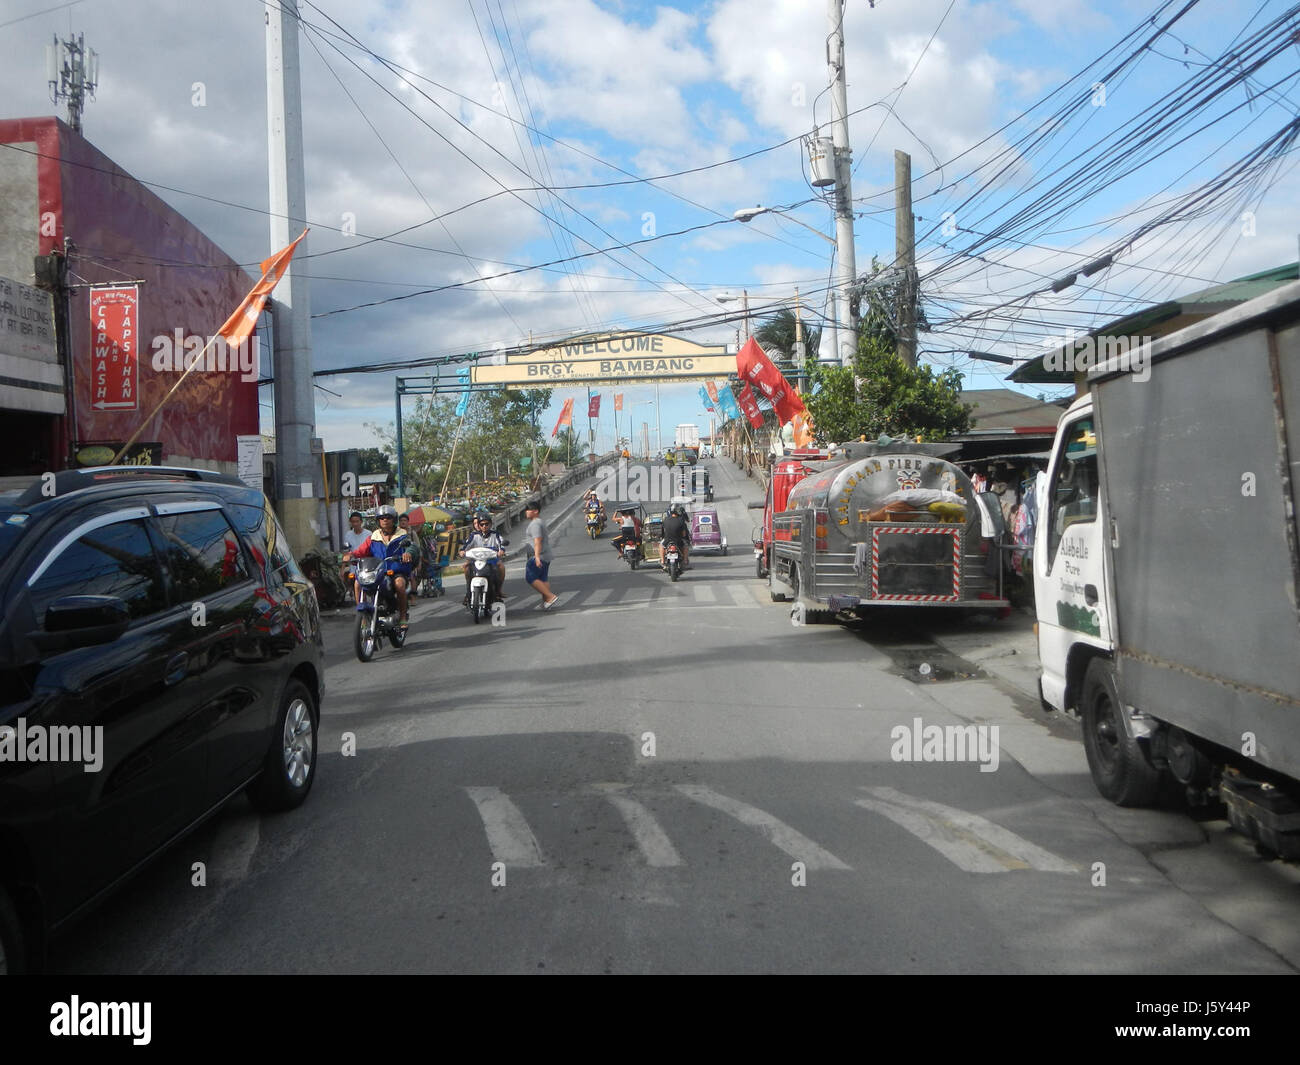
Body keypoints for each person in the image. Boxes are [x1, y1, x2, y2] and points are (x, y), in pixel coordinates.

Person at [349, 504, 413, 625]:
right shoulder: (373, 537)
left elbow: (412, 547)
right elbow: (361, 551)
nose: (385, 520)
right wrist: (351, 555)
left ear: (393, 519)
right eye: (381, 517)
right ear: (378, 520)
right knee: (358, 582)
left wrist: (408, 553)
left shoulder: (402, 535)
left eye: (388, 517)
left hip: (396, 571)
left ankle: (403, 615)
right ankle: (362, 617)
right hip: (377, 571)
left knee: (399, 584)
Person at [460, 510, 507, 605]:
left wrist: (501, 550)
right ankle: (469, 591)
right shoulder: (474, 535)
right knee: (465, 567)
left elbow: (501, 543)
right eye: (482, 524)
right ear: (479, 525)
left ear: (490, 524)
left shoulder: (495, 534)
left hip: (491, 559)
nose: (484, 526)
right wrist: (462, 551)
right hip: (476, 559)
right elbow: (467, 544)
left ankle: (498, 590)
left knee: (501, 567)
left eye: (486, 524)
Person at [523, 499, 558, 609]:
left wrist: (537, 557)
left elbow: (537, 541)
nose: (526, 512)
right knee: (543, 578)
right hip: (546, 555)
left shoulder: (535, 524)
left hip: (539, 555)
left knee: (530, 577)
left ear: (535, 511)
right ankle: (546, 602)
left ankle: (550, 596)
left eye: (528, 510)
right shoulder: (540, 522)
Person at [341, 511, 371, 604]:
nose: (355, 524)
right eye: (353, 522)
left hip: (366, 564)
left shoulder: (368, 534)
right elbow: (346, 552)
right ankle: (359, 606)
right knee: (354, 583)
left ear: (361, 522)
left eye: (357, 521)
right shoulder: (348, 535)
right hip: (354, 564)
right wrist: (342, 568)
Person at [660, 502, 691, 571]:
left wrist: (663, 537)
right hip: (678, 540)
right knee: (685, 545)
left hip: (667, 540)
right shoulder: (681, 520)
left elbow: (662, 532)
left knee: (661, 545)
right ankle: (685, 560)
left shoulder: (665, 519)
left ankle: (662, 560)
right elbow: (684, 534)